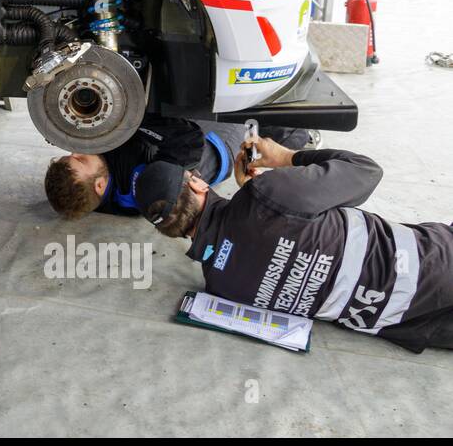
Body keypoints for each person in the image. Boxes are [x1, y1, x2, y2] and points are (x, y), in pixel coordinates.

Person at [135, 135, 453, 353]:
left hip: (413, 324)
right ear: (199, 183)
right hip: (437, 261)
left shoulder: (220, 286)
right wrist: (286, 159)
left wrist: (259, 192)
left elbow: (256, 239)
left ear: (171, 232)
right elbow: (366, 172)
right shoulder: (269, 195)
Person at [44, 117, 315, 219]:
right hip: (213, 147)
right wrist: (129, 121)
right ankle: (297, 136)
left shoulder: (94, 194)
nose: (78, 151)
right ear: (99, 185)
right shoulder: (142, 180)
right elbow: (187, 141)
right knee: (232, 102)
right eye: (80, 159)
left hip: (186, 148)